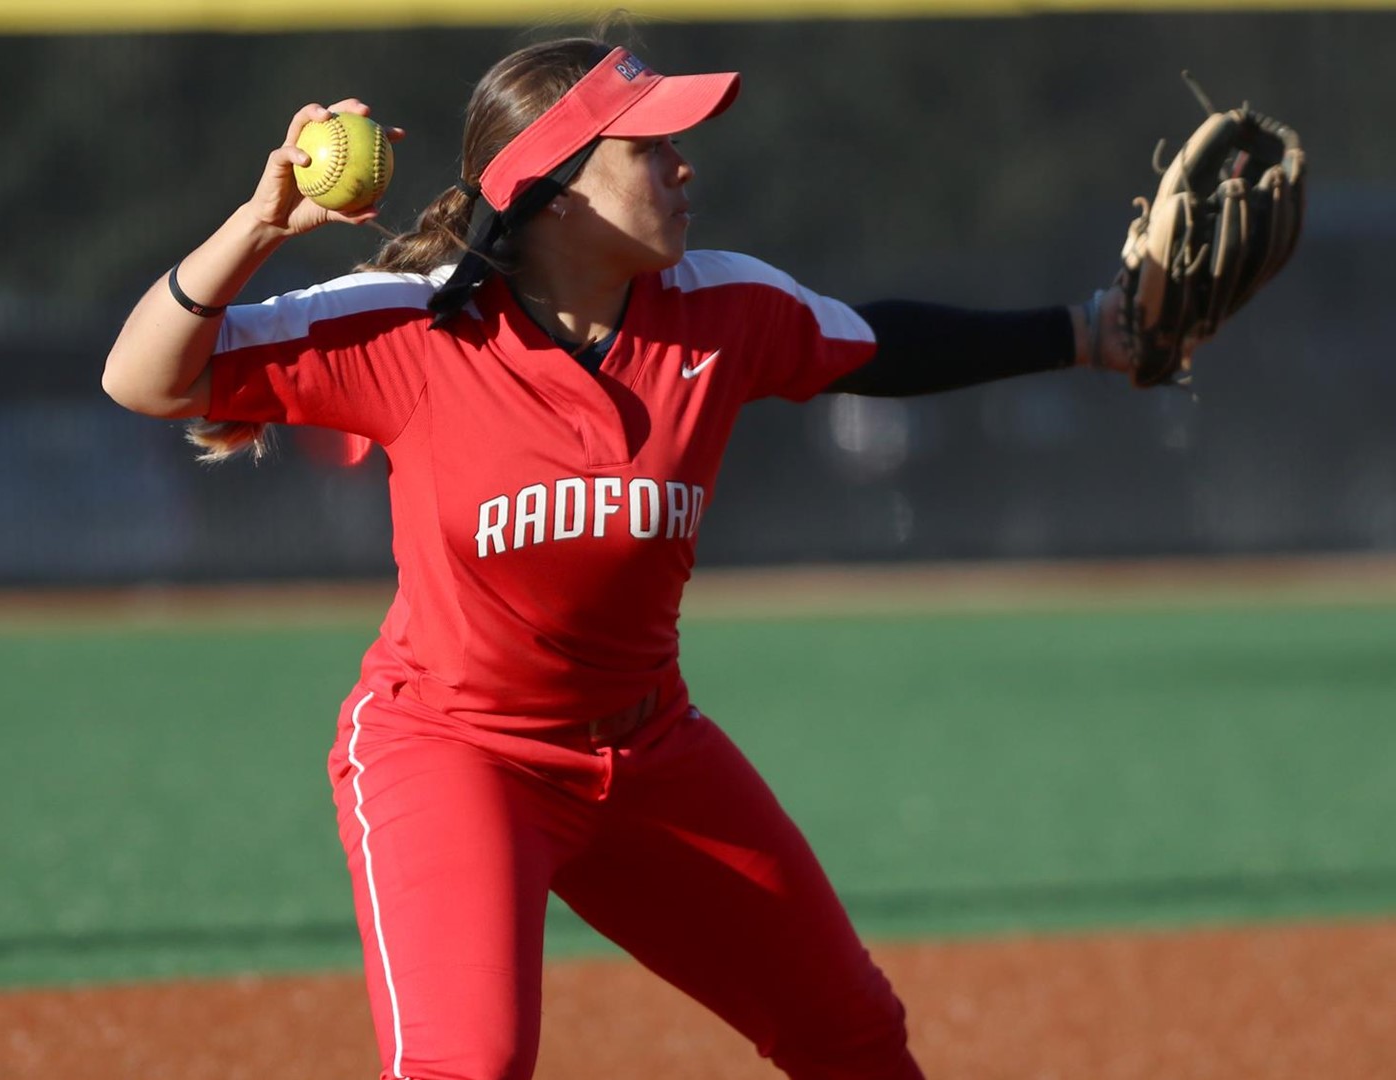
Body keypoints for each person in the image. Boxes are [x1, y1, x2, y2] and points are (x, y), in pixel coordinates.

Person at [103, 35, 1134, 1080]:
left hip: (651, 751)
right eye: (649, 148)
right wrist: (258, 226)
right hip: (460, 751)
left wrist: (1092, 332)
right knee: (473, 1067)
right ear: (555, 193)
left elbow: (883, 346)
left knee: (854, 1039)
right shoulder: (414, 328)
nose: (684, 166)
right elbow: (143, 380)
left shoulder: (723, 311)